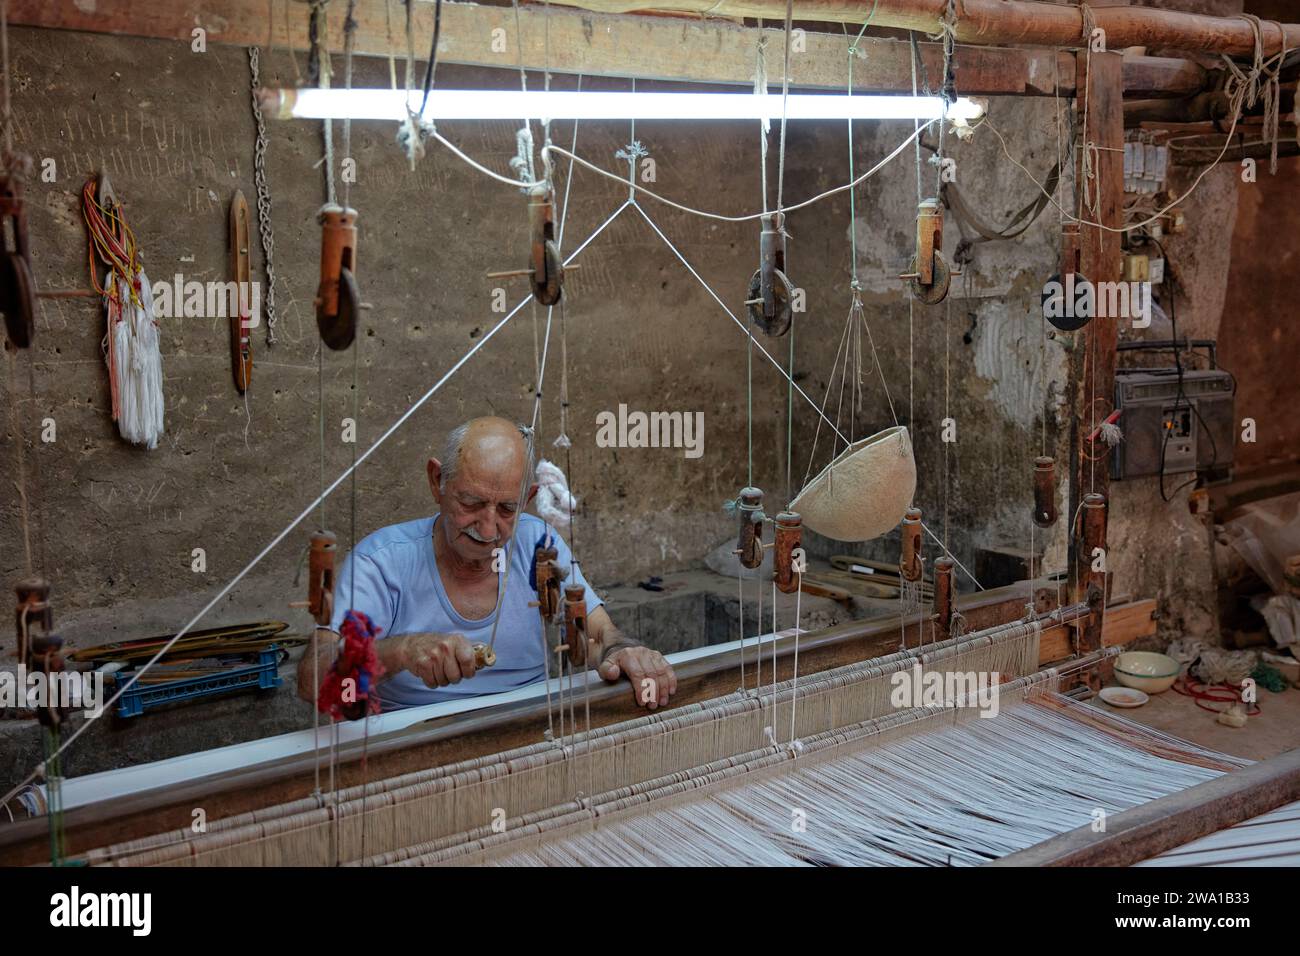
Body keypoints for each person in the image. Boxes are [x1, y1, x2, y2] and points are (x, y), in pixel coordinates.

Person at [297, 416, 677, 711]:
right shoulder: (380, 563)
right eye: (471, 504)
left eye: (507, 509)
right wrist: (402, 651)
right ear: (437, 482)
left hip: (526, 733)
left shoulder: (536, 543)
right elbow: (313, 679)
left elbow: (598, 637)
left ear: (528, 498)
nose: (489, 527)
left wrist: (623, 653)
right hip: (413, 748)